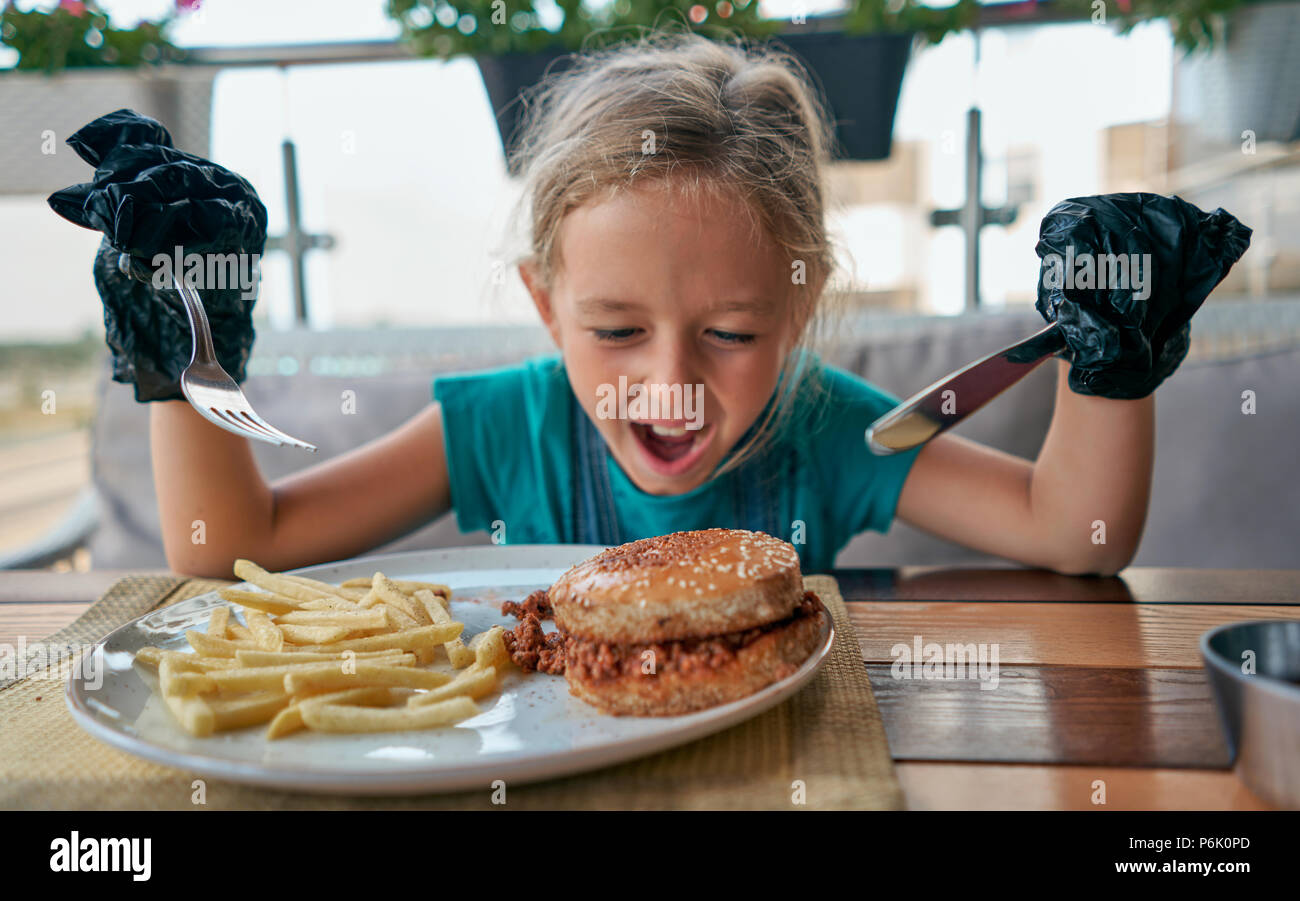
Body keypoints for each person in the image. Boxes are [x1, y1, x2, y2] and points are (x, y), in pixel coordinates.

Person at [49, 30, 1246, 579]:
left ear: (799, 302)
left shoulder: (826, 425)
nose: (668, 377)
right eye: (615, 330)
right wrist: (183, 349)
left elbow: (1073, 536)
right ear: (543, 302)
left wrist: (1111, 358)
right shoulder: (502, 428)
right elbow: (225, 547)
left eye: (731, 333)